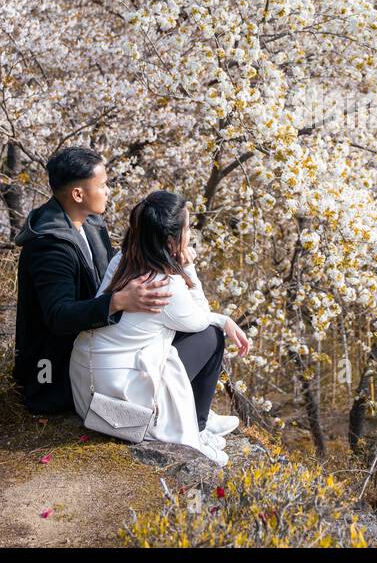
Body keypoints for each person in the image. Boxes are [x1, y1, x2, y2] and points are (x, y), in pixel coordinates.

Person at [70, 190, 250, 465]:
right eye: (187, 228)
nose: (190, 234)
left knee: (173, 334)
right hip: (120, 407)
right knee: (212, 336)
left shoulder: (123, 260)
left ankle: (201, 419)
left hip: (87, 392)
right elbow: (200, 318)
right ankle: (198, 428)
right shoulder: (165, 285)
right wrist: (189, 270)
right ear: (171, 240)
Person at [12, 147, 171, 413]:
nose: (108, 191)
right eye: (102, 185)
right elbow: (59, 316)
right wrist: (119, 300)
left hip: (91, 344)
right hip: (53, 371)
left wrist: (173, 258)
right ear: (78, 194)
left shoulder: (92, 224)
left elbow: (111, 274)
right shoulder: (49, 245)